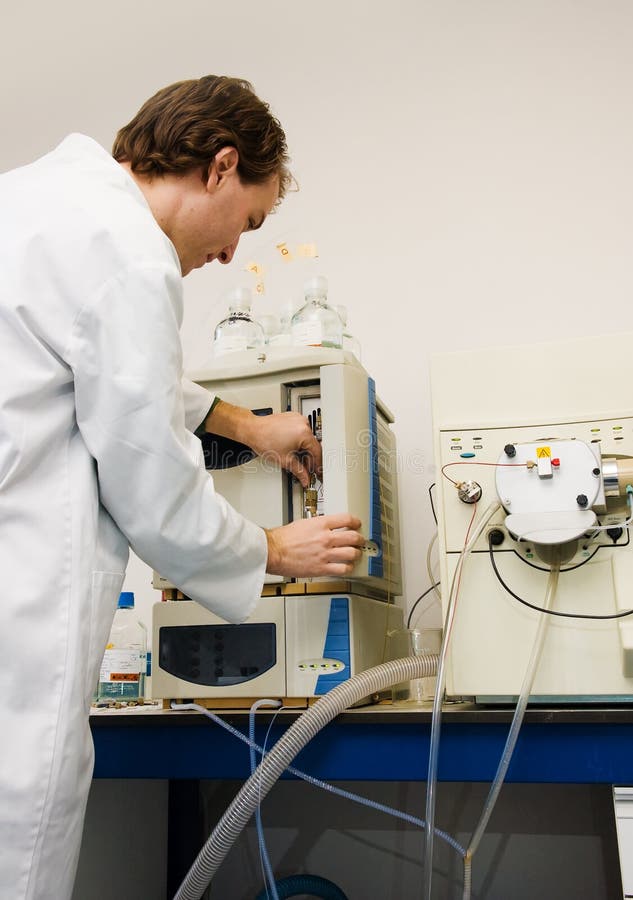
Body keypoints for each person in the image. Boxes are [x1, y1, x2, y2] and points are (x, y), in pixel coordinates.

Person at [0, 75, 364, 900]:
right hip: (20, 612)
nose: (232, 252)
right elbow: (153, 486)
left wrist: (246, 425)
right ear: (221, 166)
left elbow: (104, 368)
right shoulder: (129, 254)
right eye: (248, 221)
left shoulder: (37, 202)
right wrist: (274, 548)